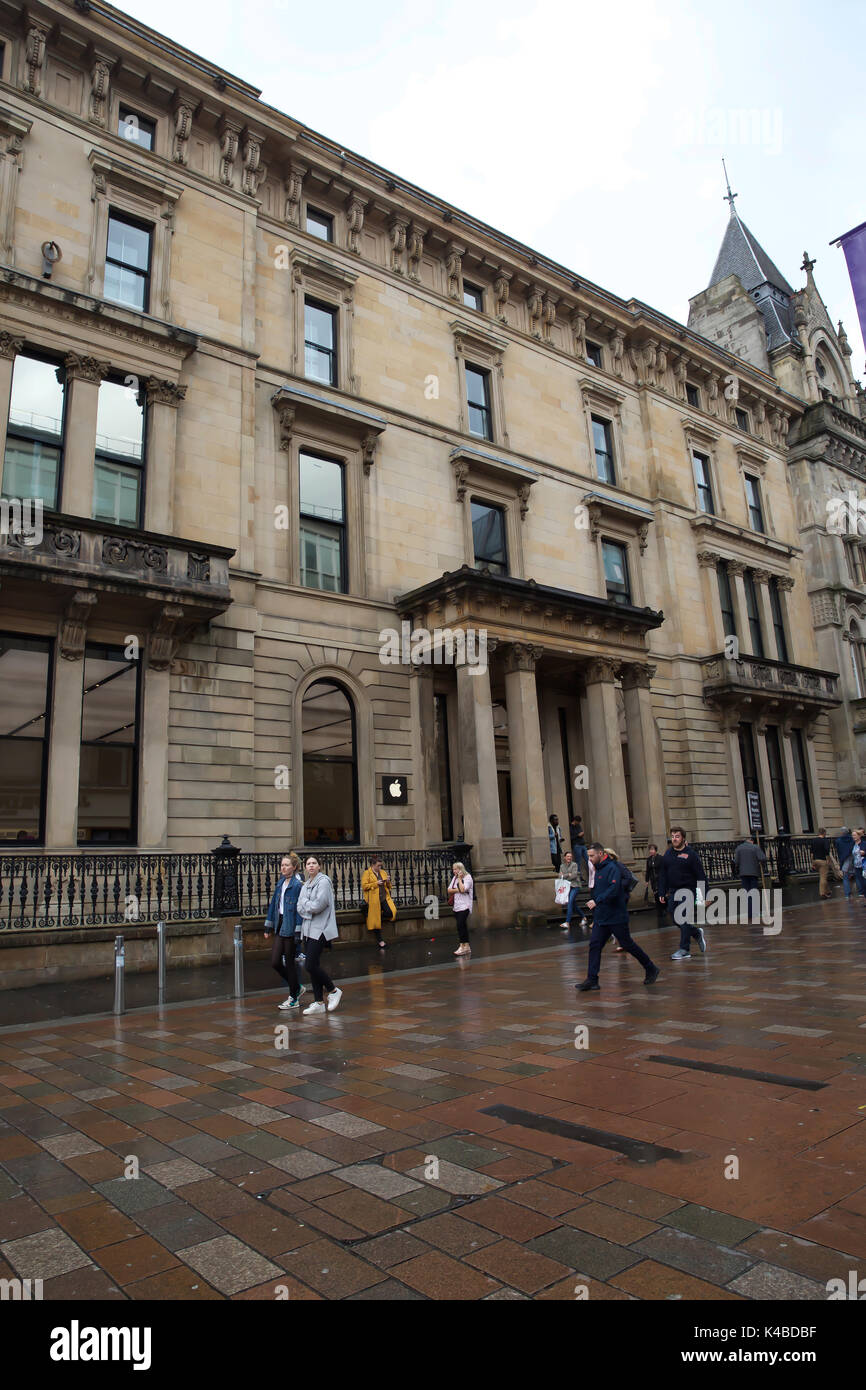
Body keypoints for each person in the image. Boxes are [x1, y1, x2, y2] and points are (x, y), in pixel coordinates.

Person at [575, 843, 659, 992]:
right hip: (602, 917)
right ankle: (592, 979)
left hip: (616, 916)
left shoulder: (613, 867)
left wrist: (597, 900)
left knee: (628, 944)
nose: (589, 858)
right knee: (594, 945)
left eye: (592, 855)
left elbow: (614, 889)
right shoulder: (597, 869)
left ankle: (650, 967)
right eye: (588, 856)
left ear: (601, 854)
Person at [296, 856, 342, 1015]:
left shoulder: (324, 882)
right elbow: (298, 906)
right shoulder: (306, 884)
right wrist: (307, 906)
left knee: (309, 965)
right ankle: (318, 1002)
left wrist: (306, 906)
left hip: (321, 928)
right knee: (313, 965)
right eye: (308, 864)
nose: (311, 866)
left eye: (314, 863)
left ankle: (333, 990)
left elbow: (319, 904)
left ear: (319, 866)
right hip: (307, 929)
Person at [658, 826, 707, 961]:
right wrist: (661, 891)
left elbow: (701, 876)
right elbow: (662, 874)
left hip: (688, 890)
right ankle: (696, 932)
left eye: (677, 836)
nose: (674, 839)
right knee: (674, 917)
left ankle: (684, 949)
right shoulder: (668, 854)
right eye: (673, 836)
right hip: (674, 891)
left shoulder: (691, 854)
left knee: (683, 917)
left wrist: (702, 896)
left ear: (683, 838)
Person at [263, 852, 305, 1009]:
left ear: (294, 867)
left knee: (290, 963)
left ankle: (293, 997)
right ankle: (297, 988)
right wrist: (268, 925)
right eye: (282, 865)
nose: (283, 867)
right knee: (275, 962)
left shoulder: (297, 886)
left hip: (291, 925)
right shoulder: (281, 883)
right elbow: (274, 904)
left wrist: (298, 931)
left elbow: (300, 910)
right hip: (280, 925)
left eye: (287, 865)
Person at [361, 855, 397, 948]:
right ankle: (380, 941)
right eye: (378, 865)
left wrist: (388, 881)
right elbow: (364, 886)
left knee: (390, 913)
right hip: (373, 900)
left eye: (381, 866)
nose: (380, 867)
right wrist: (375, 884)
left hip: (383, 898)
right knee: (376, 923)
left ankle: (372, 917)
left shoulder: (383, 872)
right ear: (373, 865)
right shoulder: (367, 873)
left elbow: (389, 886)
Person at [733, 834, 766, 924]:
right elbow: (762, 858)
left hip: (743, 874)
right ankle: (755, 913)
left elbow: (736, 861)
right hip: (753, 873)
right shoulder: (755, 847)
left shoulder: (739, 848)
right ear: (751, 840)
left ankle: (749, 913)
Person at [448, 861, 473, 956]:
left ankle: (462, 946)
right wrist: (458, 890)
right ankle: (466, 946)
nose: (454, 871)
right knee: (461, 926)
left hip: (465, 905)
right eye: (453, 869)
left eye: (455, 869)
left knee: (460, 924)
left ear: (460, 869)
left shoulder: (468, 877)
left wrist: (459, 879)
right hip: (457, 906)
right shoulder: (454, 878)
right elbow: (449, 890)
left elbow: (463, 889)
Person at [558, 851, 582, 931]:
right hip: (567, 887)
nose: (569, 858)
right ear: (565, 857)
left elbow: (574, 875)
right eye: (568, 856)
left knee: (570, 902)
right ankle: (584, 917)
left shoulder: (574, 864)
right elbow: (559, 876)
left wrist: (565, 875)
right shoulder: (562, 866)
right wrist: (568, 874)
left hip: (575, 886)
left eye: (570, 856)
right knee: (573, 904)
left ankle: (567, 922)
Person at [810, 827, 834, 899]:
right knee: (823, 877)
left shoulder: (813, 840)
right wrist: (828, 860)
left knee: (822, 875)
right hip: (823, 860)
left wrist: (812, 863)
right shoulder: (825, 840)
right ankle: (822, 893)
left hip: (815, 860)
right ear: (824, 833)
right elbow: (827, 851)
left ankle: (828, 891)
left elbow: (811, 852)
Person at [645, 843, 666, 924]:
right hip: (653, 880)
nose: (651, 851)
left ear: (656, 850)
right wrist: (647, 880)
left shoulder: (660, 858)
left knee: (661, 894)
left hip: (660, 879)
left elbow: (663, 868)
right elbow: (648, 870)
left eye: (652, 849)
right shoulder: (649, 859)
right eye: (650, 850)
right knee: (656, 895)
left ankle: (663, 908)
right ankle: (659, 910)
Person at [835, 827, 856, 901]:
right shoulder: (853, 839)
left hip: (844, 860)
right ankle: (859, 892)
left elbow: (838, 851)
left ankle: (847, 894)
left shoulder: (838, 841)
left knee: (846, 877)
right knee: (857, 876)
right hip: (853, 859)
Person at [569, 814, 589, 882]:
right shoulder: (570, 827)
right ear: (575, 821)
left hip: (582, 844)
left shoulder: (578, 826)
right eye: (578, 822)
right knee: (578, 862)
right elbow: (570, 837)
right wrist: (578, 835)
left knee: (588, 860)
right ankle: (579, 877)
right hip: (576, 845)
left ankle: (591, 875)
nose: (579, 823)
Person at [852, 829, 866, 900]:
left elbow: (864, 852)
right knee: (861, 883)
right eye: (852, 835)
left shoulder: (863, 843)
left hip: (864, 865)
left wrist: (863, 852)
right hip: (857, 866)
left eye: (854, 835)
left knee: (865, 882)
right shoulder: (853, 844)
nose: (853, 837)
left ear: (859, 836)